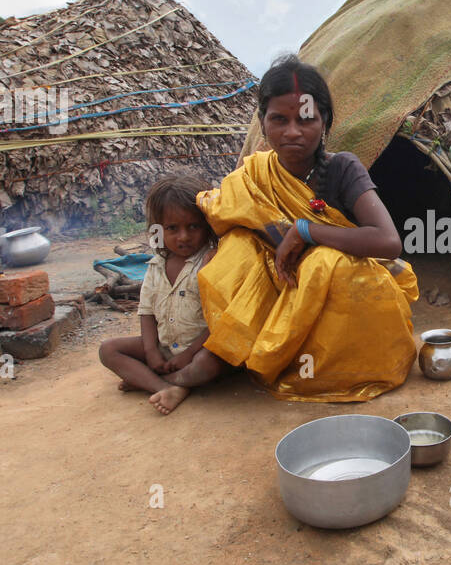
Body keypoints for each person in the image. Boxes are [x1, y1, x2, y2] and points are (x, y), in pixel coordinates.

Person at [195, 54, 419, 402]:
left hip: (344, 300)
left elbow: (388, 242)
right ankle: (243, 352)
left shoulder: (343, 169)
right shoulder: (256, 174)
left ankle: (324, 367)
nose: (292, 132)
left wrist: (306, 231)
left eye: (305, 120)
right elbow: (226, 212)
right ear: (262, 121)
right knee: (236, 248)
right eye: (279, 120)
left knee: (322, 262)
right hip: (282, 286)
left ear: (325, 122)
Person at [99, 173, 225, 415]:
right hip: (165, 347)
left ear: (208, 225)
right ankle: (168, 387)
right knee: (108, 349)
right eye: (172, 228)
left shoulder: (211, 261)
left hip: (201, 349)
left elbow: (221, 322)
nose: (184, 236)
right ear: (158, 229)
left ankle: (152, 381)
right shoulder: (156, 265)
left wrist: (188, 353)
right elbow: (146, 312)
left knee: (207, 365)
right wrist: (151, 351)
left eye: (193, 226)